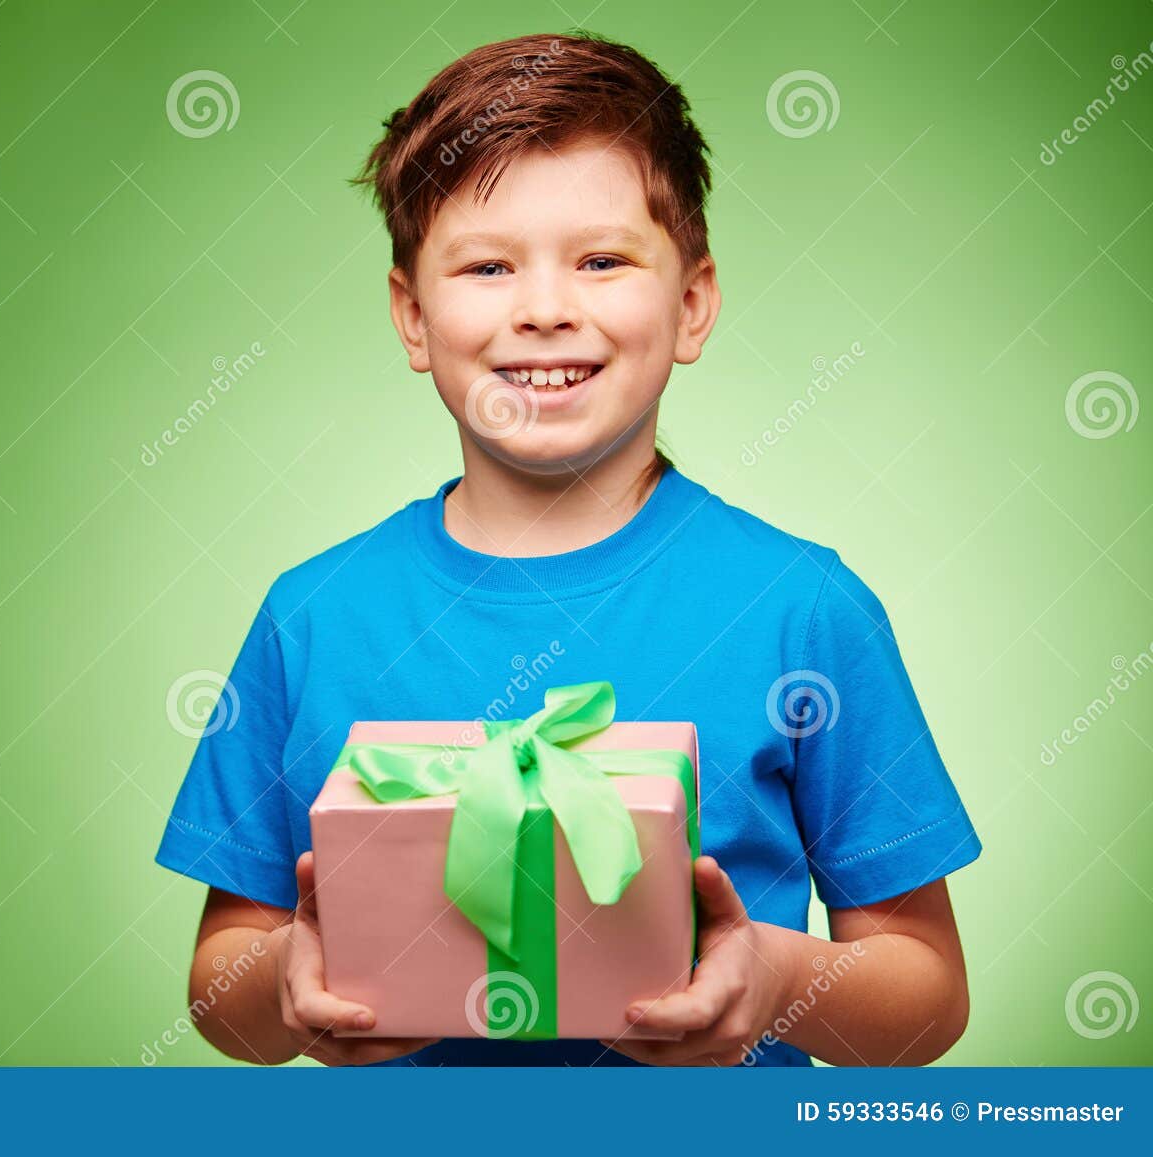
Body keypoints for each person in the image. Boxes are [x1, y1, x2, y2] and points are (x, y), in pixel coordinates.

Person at [154, 31, 980, 1067]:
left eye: (600, 259)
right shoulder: (311, 615)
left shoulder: (800, 606)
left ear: (690, 302)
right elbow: (220, 980)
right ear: (413, 316)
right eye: (488, 265)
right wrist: (284, 986)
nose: (545, 309)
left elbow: (926, 995)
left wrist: (773, 978)